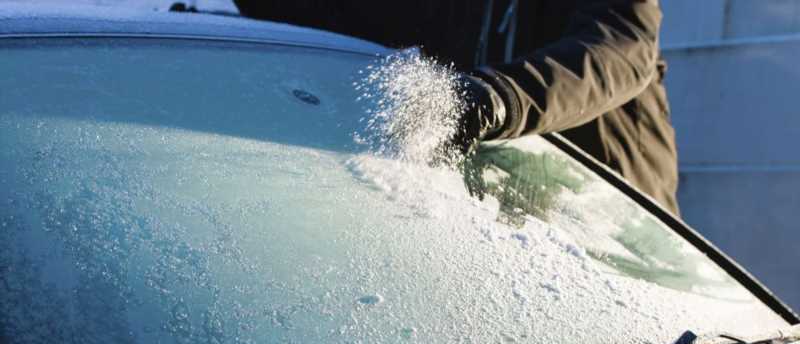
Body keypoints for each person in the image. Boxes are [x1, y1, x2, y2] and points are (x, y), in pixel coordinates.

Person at [233, 0, 679, 215]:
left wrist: (496, 97)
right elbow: (345, 14)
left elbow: (622, 49)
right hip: (518, 230)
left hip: (621, 220)